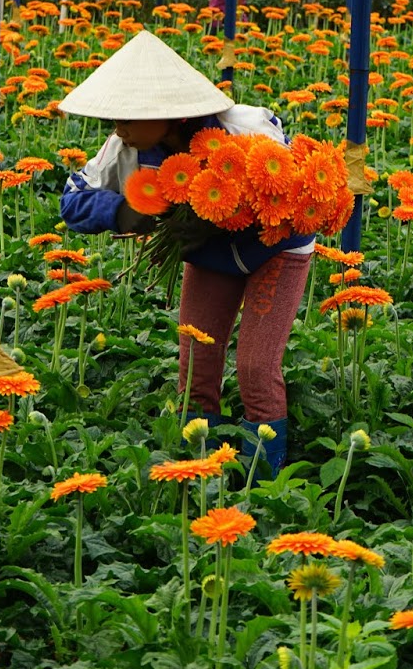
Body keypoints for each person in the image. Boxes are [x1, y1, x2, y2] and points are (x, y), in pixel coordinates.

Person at [57, 30, 312, 476]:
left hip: (277, 251)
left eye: (129, 119)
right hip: (210, 257)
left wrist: (230, 212)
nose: (119, 129)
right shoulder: (125, 148)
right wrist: (120, 212)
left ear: (170, 114)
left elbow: (294, 196)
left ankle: (268, 488)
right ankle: (197, 472)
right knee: (195, 362)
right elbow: (72, 197)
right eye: (115, 120)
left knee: (255, 365)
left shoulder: (243, 130)